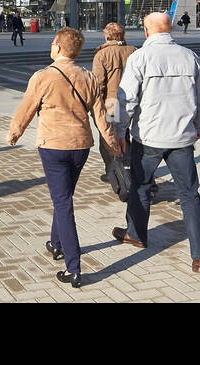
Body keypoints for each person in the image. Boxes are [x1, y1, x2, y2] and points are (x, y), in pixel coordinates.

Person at [7, 27, 120, 289]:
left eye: (52, 42)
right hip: (81, 145)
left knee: (63, 203)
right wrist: (112, 143)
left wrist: (14, 133)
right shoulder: (88, 77)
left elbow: (26, 109)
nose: (50, 45)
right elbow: (100, 115)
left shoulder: (42, 77)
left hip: (53, 146)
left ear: (58, 47)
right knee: (64, 196)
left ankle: (74, 266)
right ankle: (56, 243)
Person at [110, 12, 200, 273]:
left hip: (148, 137)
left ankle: (136, 233)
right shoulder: (190, 56)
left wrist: (119, 131)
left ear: (146, 30)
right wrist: (198, 126)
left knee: (140, 186)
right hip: (182, 137)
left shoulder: (140, 58)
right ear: (170, 29)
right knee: (190, 195)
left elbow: (126, 100)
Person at [90, 23, 136, 180]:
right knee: (126, 134)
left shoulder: (102, 54)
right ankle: (129, 168)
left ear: (107, 36)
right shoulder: (134, 51)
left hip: (111, 102)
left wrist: (95, 106)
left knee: (107, 136)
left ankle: (113, 173)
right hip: (132, 99)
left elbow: (99, 83)